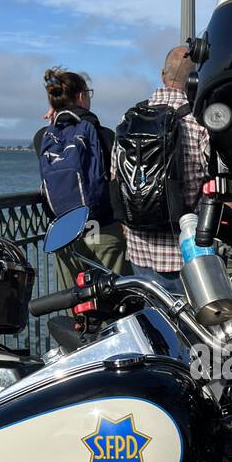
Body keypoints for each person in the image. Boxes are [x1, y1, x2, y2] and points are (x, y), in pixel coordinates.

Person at [113, 45, 209, 296]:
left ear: (162, 75)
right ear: (194, 79)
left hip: (139, 249)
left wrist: (128, 224)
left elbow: (116, 178)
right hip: (185, 250)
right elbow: (219, 183)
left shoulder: (129, 119)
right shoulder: (198, 122)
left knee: (153, 323)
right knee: (190, 326)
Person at [34, 68, 129, 280]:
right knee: (114, 298)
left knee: (71, 299)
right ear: (81, 96)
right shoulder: (104, 135)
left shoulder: (42, 137)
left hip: (65, 232)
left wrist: (56, 113)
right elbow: (117, 181)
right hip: (103, 228)